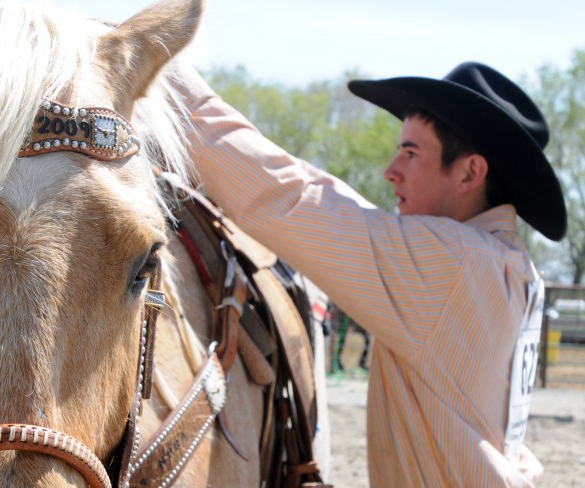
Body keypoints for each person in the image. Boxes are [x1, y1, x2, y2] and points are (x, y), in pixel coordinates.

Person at [173, 61, 566, 487]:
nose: (391, 170)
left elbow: (292, 198)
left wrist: (168, 81)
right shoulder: (518, 270)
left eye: (411, 153)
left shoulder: (455, 263)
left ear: (470, 172)